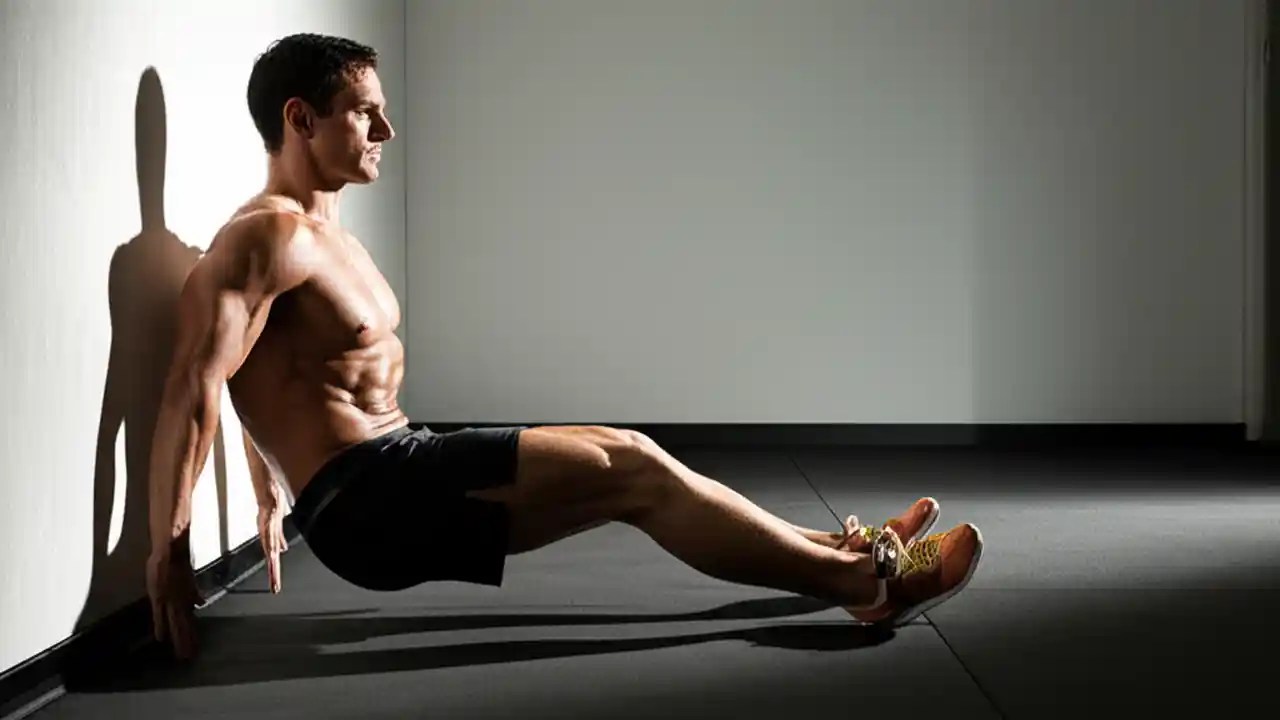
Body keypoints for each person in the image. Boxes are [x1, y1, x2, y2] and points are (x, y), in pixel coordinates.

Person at [145, 33, 983, 661]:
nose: (387, 130)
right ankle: (868, 584)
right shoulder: (265, 237)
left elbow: (268, 369)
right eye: (366, 111)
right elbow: (195, 387)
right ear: (301, 117)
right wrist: (169, 556)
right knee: (633, 466)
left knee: (630, 460)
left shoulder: (327, 237)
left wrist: (262, 492)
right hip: (366, 498)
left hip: (396, 467)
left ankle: (838, 551)